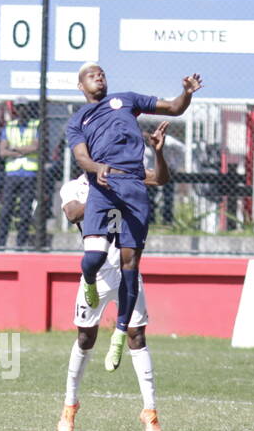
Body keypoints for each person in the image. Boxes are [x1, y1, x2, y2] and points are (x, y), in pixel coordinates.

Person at [66, 63, 202, 371]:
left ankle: (118, 337)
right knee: (94, 257)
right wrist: (97, 168)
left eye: (101, 72)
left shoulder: (126, 100)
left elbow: (174, 108)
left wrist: (186, 93)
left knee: (132, 265)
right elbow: (81, 157)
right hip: (104, 186)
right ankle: (89, 279)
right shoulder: (78, 121)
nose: (98, 76)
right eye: (91, 74)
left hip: (133, 186)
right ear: (80, 86)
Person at [58, 122, 172, 431]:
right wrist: (103, 194)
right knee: (85, 338)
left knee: (137, 336)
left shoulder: (128, 178)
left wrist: (157, 153)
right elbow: (72, 213)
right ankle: (70, 405)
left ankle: (150, 412)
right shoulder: (74, 187)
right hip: (95, 275)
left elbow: (160, 179)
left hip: (128, 270)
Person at [0, 101, 41, 250]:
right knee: (6, 209)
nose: (22, 110)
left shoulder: (36, 125)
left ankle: (21, 243)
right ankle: (0, 243)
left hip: (29, 172)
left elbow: (36, 146)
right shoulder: (9, 127)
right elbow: (2, 151)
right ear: (15, 109)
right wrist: (24, 150)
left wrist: (14, 149)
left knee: (25, 210)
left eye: (24, 107)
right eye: (19, 107)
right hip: (12, 173)